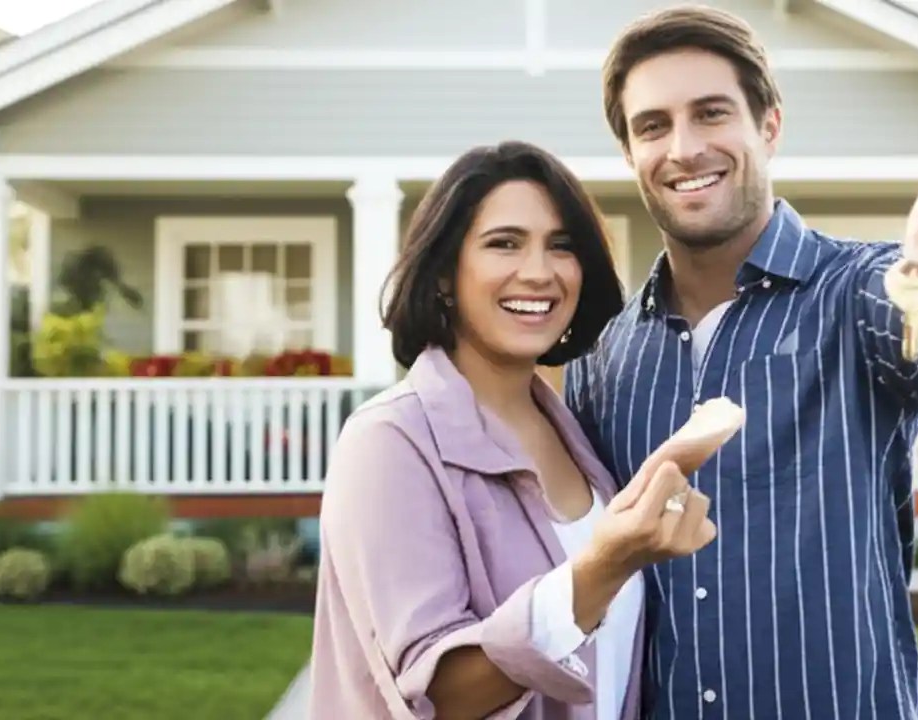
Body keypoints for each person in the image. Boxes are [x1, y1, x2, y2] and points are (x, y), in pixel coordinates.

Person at [562, 6, 918, 720]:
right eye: (652, 125)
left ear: (769, 125)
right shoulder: (604, 357)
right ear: (629, 152)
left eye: (712, 113)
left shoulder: (853, 293)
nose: (682, 148)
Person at [308, 140, 719, 720]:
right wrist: (605, 567)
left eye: (562, 246)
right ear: (445, 274)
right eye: (504, 244)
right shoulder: (389, 442)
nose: (538, 273)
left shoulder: (576, 435)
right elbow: (438, 693)